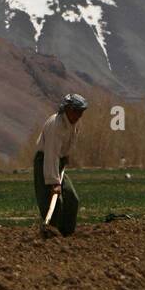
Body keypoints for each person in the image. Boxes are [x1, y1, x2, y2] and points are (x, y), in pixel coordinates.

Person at [34, 93, 87, 236]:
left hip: (58, 162)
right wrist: (54, 182)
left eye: (81, 112)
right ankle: (50, 233)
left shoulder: (74, 124)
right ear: (67, 109)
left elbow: (67, 145)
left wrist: (66, 156)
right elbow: (51, 155)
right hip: (45, 163)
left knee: (71, 198)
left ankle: (66, 233)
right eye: (76, 111)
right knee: (52, 201)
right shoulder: (56, 125)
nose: (78, 115)